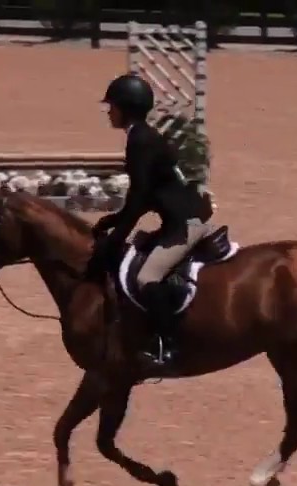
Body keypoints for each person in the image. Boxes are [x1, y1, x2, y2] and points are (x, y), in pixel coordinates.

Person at [91, 73, 212, 367]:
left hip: (186, 224)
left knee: (147, 277)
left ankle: (167, 345)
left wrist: (117, 233)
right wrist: (116, 220)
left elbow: (140, 195)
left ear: (126, 108)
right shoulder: (142, 135)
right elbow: (141, 196)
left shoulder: (141, 141)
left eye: (113, 106)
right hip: (176, 218)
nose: (109, 111)